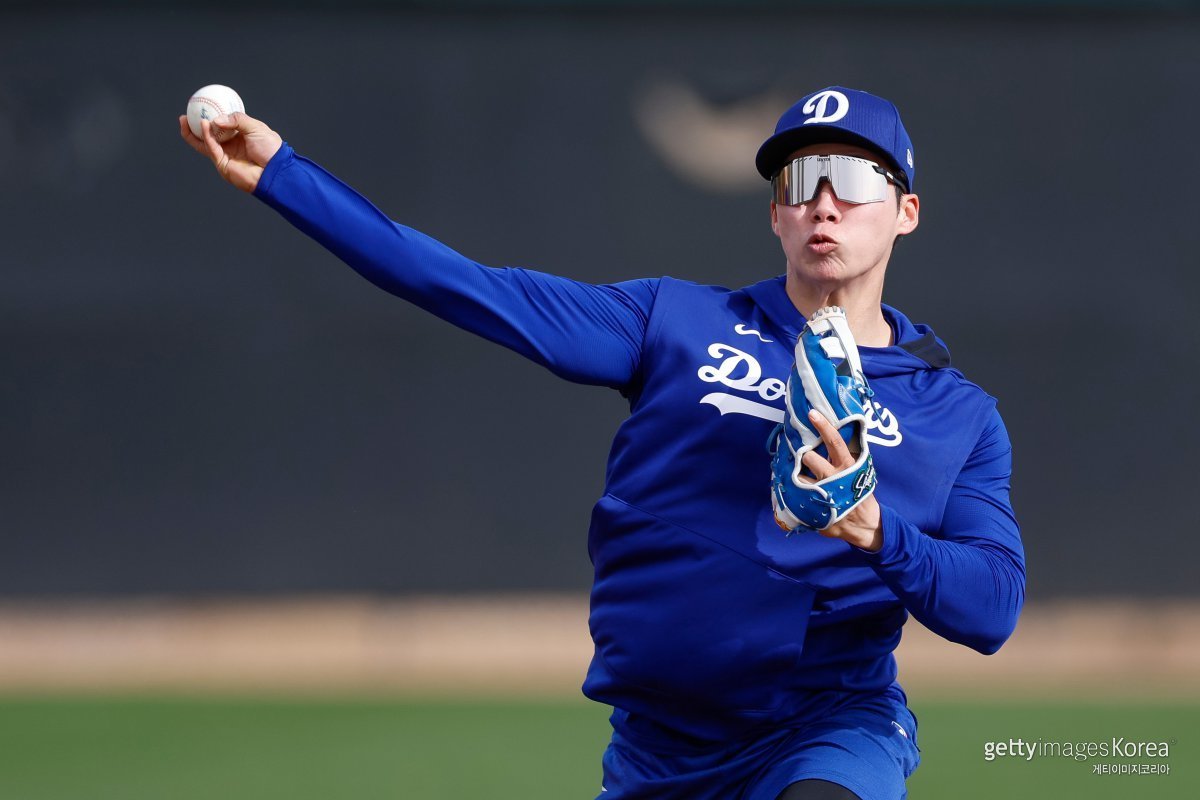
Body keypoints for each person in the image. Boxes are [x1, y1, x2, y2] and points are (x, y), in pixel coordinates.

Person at [179, 85, 1025, 800]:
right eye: (800, 179)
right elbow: (470, 290)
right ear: (776, 214)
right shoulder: (679, 322)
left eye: (850, 177)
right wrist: (284, 178)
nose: (822, 201)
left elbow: (992, 608)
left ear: (905, 210)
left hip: (828, 729)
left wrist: (879, 531)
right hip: (662, 748)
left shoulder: (955, 414)